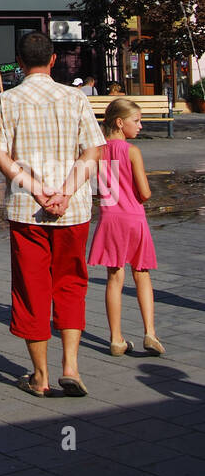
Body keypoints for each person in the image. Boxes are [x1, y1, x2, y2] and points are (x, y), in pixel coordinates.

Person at [0, 31, 105, 398]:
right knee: (71, 282)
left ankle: (41, 376)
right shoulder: (74, 98)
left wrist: (36, 189)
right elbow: (92, 152)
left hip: (27, 208)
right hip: (73, 209)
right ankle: (71, 365)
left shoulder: (7, 101)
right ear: (53, 60)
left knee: (31, 287)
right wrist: (65, 190)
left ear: (19, 63)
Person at [88, 99, 164, 356]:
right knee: (141, 273)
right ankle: (150, 332)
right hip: (133, 218)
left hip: (110, 219)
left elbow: (96, 189)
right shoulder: (131, 151)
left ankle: (116, 338)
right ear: (120, 123)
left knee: (114, 277)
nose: (140, 126)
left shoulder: (97, 150)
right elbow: (144, 192)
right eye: (136, 121)